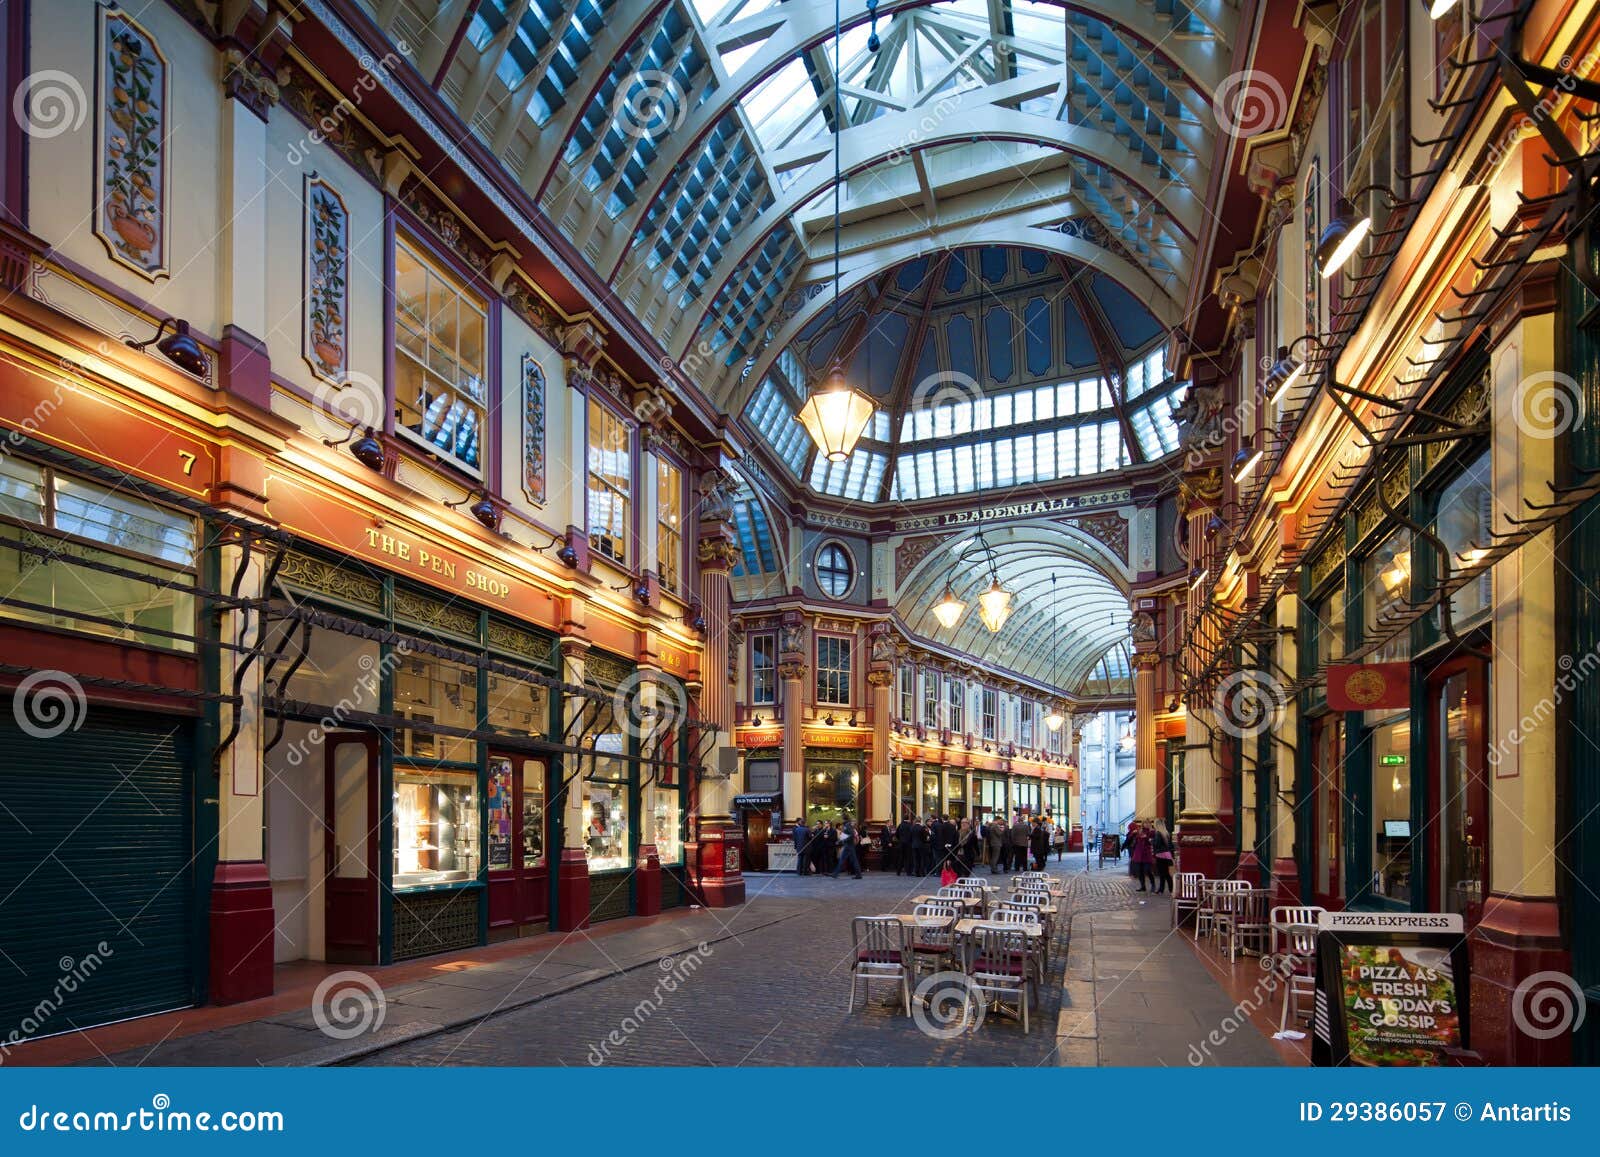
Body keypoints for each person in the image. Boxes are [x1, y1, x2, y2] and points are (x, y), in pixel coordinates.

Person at [1124, 821, 1155, 892]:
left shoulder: (1151, 832)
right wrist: (1133, 833)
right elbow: (1130, 838)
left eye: (1148, 823)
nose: (1146, 824)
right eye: (1145, 823)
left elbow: (1152, 839)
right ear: (1143, 824)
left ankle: (1153, 884)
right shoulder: (1139, 831)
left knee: (1147, 870)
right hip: (1139, 854)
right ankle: (1143, 886)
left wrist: (1147, 837)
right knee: (1140, 871)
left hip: (1146, 854)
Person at [831, 814, 863, 879]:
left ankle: (835, 874)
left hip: (849, 845)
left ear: (843, 818)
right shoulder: (847, 825)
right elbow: (846, 834)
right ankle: (835, 874)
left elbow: (852, 835)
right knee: (846, 860)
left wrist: (843, 840)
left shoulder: (847, 825)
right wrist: (840, 841)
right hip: (848, 845)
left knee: (849, 860)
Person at [1150, 818, 1174, 893]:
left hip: (1160, 855)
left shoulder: (1158, 833)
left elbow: (1157, 844)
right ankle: (1170, 889)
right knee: (1166, 873)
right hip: (1167, 855)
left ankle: (1161, 889)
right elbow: (1170, 845)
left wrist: (1151, 841)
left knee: (1162, 873)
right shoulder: (1166, 833)